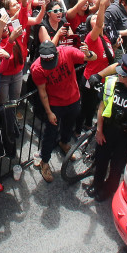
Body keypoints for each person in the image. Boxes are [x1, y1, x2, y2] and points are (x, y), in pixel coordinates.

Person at [29, 41, 96, 182]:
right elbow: (42, 92)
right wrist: (49, 112)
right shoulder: (37, 68)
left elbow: (93, 58)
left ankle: (64, 143)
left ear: (57, 53)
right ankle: (44, 161)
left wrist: (88, 53)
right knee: (50, 133)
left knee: (69, 125)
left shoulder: (67, 51)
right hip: (55, 104)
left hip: (73, 98)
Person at [85, 53, 127, 201]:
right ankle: (96, 183)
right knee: (101, 160)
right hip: (108, 130)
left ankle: (108, 189)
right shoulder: (111, 84)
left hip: (126, 136)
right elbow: (102, 107)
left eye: (123, 75)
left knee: (116, 167)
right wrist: (99, 130)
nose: (119, 76)